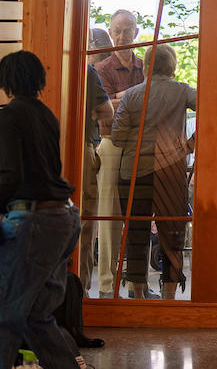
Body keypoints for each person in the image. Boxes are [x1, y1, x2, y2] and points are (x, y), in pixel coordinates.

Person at [0, 50, 82, 368]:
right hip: (64, 218)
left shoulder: (8, 117)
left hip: (35, 220)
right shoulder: (46, 115)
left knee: (6, 313)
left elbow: (10, 176)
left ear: (6, 81)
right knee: (35, 315)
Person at [111, 44, 196, 300]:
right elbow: (214, 110)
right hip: (170, 170)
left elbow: (117, 137)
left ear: (147, 66)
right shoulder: (182, 91)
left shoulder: (133, 95)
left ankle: (137, 292)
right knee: (172, 232)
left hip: (135, 171)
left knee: (136, 232)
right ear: (172, 67)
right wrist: (189, 145)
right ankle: (169, 294)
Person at [93, 11, 146, 299]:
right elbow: (106, 107)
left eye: (127, 31)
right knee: (109, 217)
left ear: (136, 33)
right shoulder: (102, 68)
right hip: (112, 143)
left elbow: (157, 97)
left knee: (140, 215)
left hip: (142, 144)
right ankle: (106, 286)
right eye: (117, 31)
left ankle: (137, 285)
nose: (122, 37)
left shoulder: (146, 65)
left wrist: (121, 97)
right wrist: (138, 93)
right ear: (111, 33)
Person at [79, 32, 114, 296]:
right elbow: (107, 112)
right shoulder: (88, 72)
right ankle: (79, 290)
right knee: (85, 219)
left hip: (46, 150)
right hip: (83, 147)